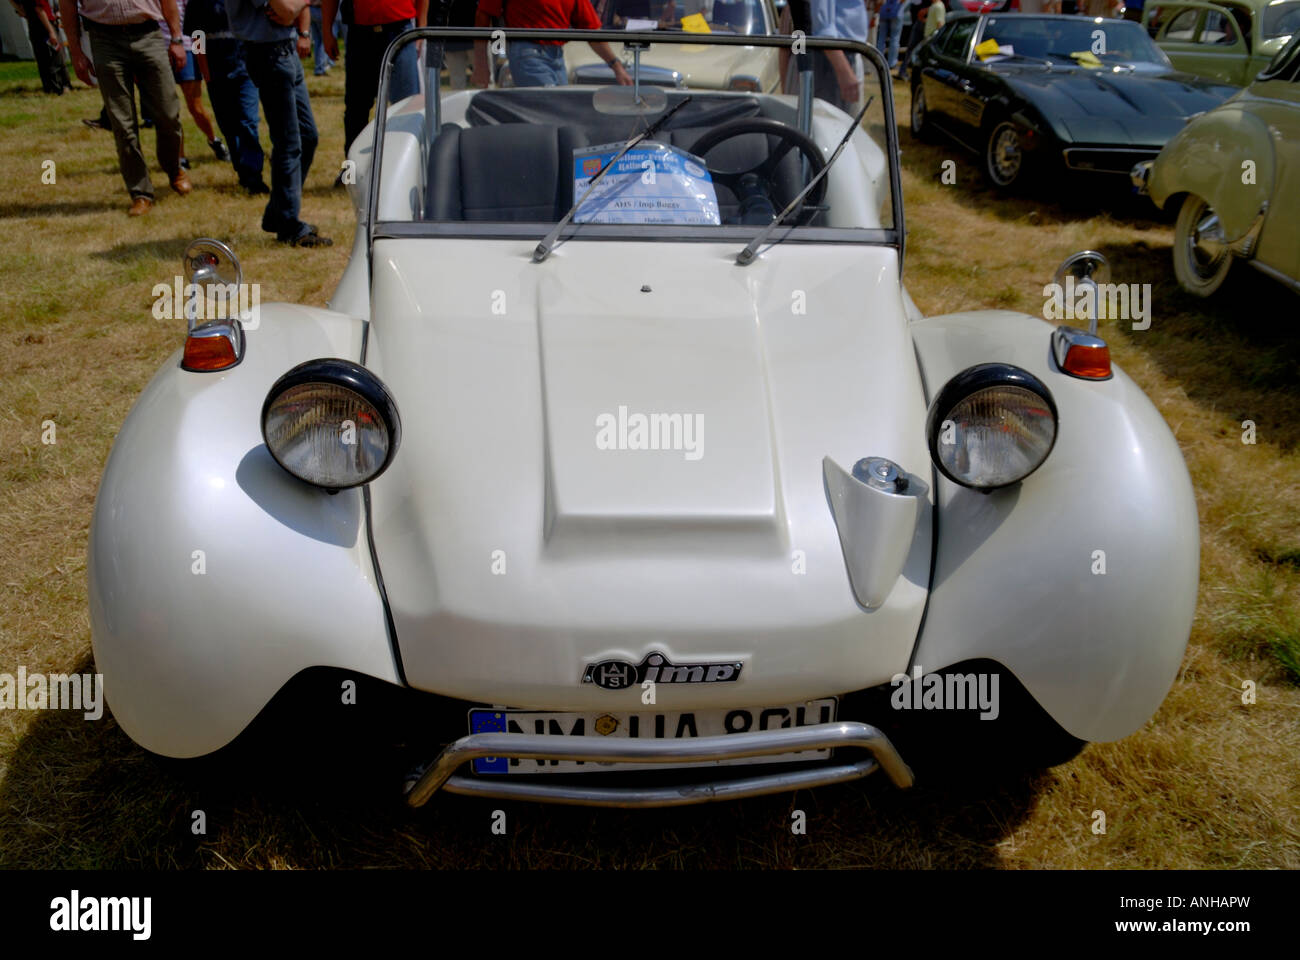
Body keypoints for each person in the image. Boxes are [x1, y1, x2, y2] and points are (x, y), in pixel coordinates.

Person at [62, 0, 191, 216]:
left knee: (168, 113)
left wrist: (176, 38)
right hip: (105, 39)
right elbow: (67, 6)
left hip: (148, 34)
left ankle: (174, 168)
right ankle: (140, 193)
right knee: (123, 124)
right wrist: (76, 52)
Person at [225, 0, 332, 246]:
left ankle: (277, 213)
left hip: (284, 49)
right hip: (268, 54)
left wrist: (296, 8)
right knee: (288, 144)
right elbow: (285, 10)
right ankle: (289, 226)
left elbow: (289, 10)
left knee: (307, 137)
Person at [322, 0, 425, 167]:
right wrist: (327, 31)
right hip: (360, 33)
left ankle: (407, 169)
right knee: (356, 109)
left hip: (400, 30)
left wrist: (422, 25)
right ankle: (352, 173)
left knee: (406, 107)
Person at [184, 0, 268, 192]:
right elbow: (196, 36)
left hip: (245, 64)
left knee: (248, 120)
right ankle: (242, 169)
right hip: (215, 67)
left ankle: (254, 174)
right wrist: (204, 70)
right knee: (228, 123)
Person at [470, 0, 633, 88]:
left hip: (558, 57)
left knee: (559, 111)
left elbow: (591, 29)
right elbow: (483, 16)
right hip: (527, 53)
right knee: (549, 112)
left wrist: (616, 66)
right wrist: (481, 63)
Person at [159, 2, 227, 168]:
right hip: (157, 51)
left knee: (195, 107)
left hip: (187, 49)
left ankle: (214, 140)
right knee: (168, 112)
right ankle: (179, 157)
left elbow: (197, 25)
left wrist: (200, 56)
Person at [13, 0, 70, 93]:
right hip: (44, 25)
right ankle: (58, 87)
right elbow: (39, 9)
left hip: (36, 24)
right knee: (53, 58)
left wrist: (20, 9)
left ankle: (53, 86)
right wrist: (51, 31)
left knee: (45, 58)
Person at [875, 0, 903, 71]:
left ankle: (878, 61)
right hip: (896, 11)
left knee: (881, 38)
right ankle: (892, 63)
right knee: (895, 38)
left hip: (884, 11)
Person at [308, 0, 331, 72]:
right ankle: (320, 67)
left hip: (311, 10)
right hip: (320, 10)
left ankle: (318, 65)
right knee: (324, 40)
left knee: (317, 40)